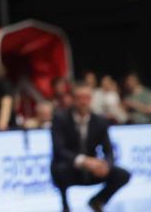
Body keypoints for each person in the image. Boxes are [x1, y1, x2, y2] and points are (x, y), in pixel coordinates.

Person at [51, 83, 131, 212]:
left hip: (93, 169)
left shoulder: (99, 121)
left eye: (86, 97)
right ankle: (65, 206)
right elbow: (59, 150)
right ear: (73, 99)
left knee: (123, 175)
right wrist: (84, 161)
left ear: (91, 99)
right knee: (58, 169)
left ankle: (97, 201)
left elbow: (109, 150)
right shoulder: (60, 118)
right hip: (70, 167)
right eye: (79, 97)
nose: (83, 101)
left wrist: (106, 165)